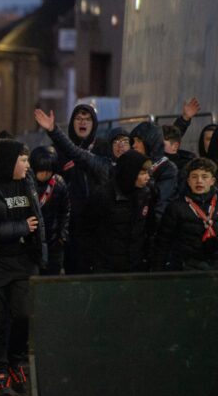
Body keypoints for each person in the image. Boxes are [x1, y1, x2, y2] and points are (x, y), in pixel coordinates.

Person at [0, 140, 46, 396]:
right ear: (8, 162)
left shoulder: (28, 181)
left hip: (24, 261)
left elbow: (39, 217)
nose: (27, 164)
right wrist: (21, 228)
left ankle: (16, 362)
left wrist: (41, 247)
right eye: (22, 160)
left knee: (24, 315)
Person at [34, 106, 107, 274]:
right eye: (79, 119)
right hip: (71, 228)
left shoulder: (102, 149)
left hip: (96, 227)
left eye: (87, 119)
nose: (83, 122)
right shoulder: (58, 152)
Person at [86, 151, 158, 273]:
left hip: (135, 265)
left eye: (147, 172)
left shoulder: (147, 194)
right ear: (130, 173)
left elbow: (150, 228)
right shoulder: (103, 195)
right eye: (142, 173)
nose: (147, 177)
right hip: (106, 267)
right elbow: (87, 229)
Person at [154, 158, 218, 271]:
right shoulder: (175, 207)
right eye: (194, 176)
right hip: (186, 269)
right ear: (188, 181)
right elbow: (163, 243)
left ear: (212, 181)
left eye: (204, 177)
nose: (199, 181)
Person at [29, 146, 70, 275]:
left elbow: (66, 210)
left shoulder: (58, 183)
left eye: (49, 170)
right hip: (32, 243)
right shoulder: (27, 183)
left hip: (53, 242)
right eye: (42, 170)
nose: (45, 174)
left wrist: (62, 235)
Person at [130, 121, 178, 220]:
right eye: (133, 141)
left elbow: (160, 205)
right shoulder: (133, 164)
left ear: (150, 142)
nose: (134, 145)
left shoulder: (168, 169)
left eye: (138, 141)